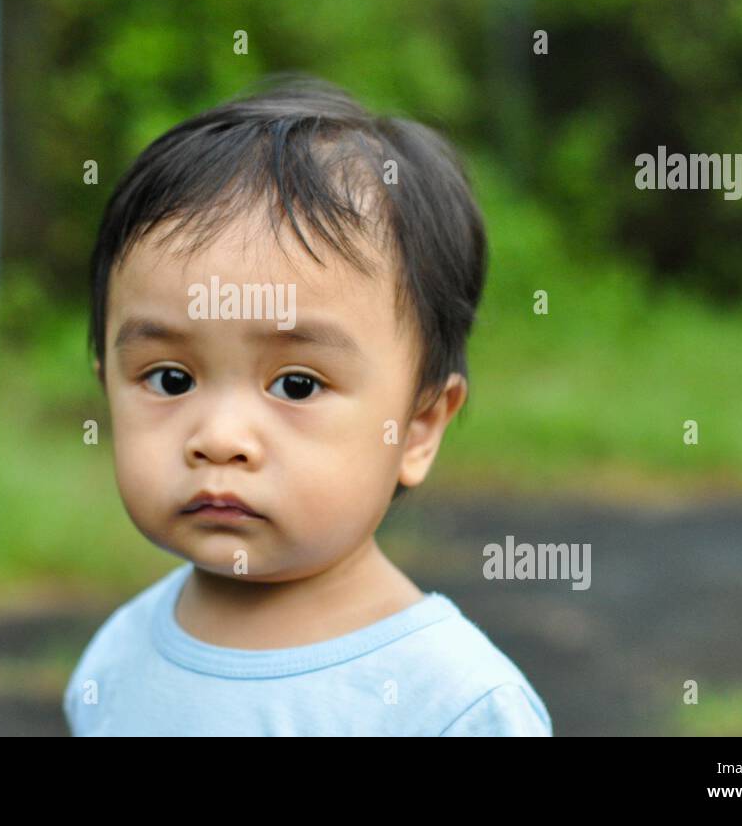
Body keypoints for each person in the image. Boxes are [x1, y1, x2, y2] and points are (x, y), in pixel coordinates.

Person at [64, 73, 551, 735]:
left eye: (296, 384)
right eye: (171, 378)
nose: (220, 437)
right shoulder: (117, 657)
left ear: (417, 427)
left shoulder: (449, 705)